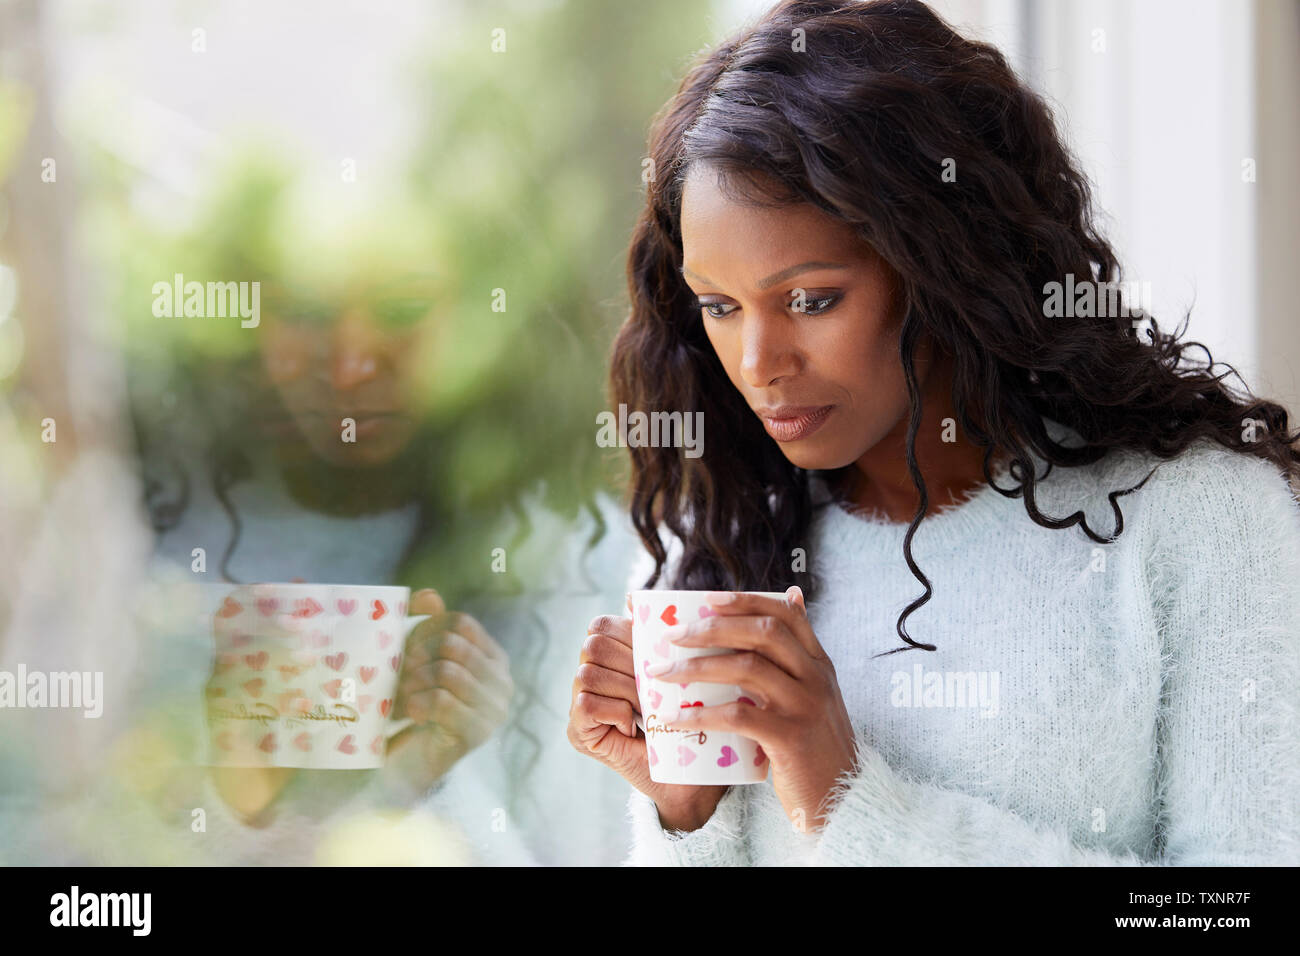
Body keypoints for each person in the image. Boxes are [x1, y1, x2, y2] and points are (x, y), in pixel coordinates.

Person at [567, 0, 1300, 865]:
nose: (758, 362)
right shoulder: (719, 531)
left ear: (948, 266)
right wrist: (687, 817)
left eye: (811, 300)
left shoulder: (1197, 517)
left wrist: (852, 800)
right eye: (721, 307)